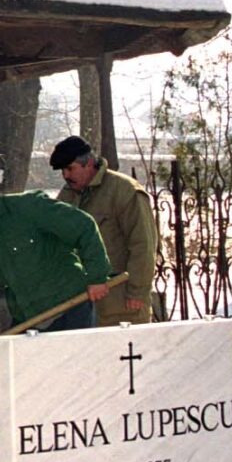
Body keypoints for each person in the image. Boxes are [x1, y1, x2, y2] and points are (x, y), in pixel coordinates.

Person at [0, 162, 112, 360]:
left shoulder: (26, 208)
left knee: (74, 381)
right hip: (28, 320)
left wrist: (97, 276)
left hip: (70, 309)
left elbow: (83, 226)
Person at [50, 135, 157, 325]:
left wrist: (137, 291)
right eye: (62, 171)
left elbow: (143, 245)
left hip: (121, 301)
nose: (65, 176)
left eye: (70, 168)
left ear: (89, 163)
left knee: (125, 353)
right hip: (80, 303)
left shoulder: (124, 191)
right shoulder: (68, 196)